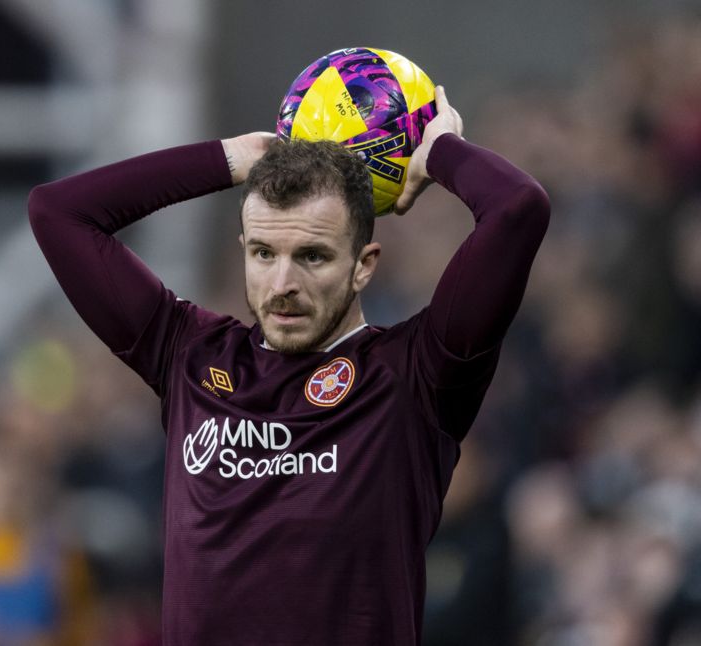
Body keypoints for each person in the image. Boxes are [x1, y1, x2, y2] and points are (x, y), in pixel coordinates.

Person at [28, 85, 549, 645]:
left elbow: (518, 208)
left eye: (313, 256)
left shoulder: (417, 374)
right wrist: (231, 159)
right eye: (263, 254)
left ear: (363, 265)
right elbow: (58, 213)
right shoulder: (189, 355)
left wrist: (438, 148)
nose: (283, 285)